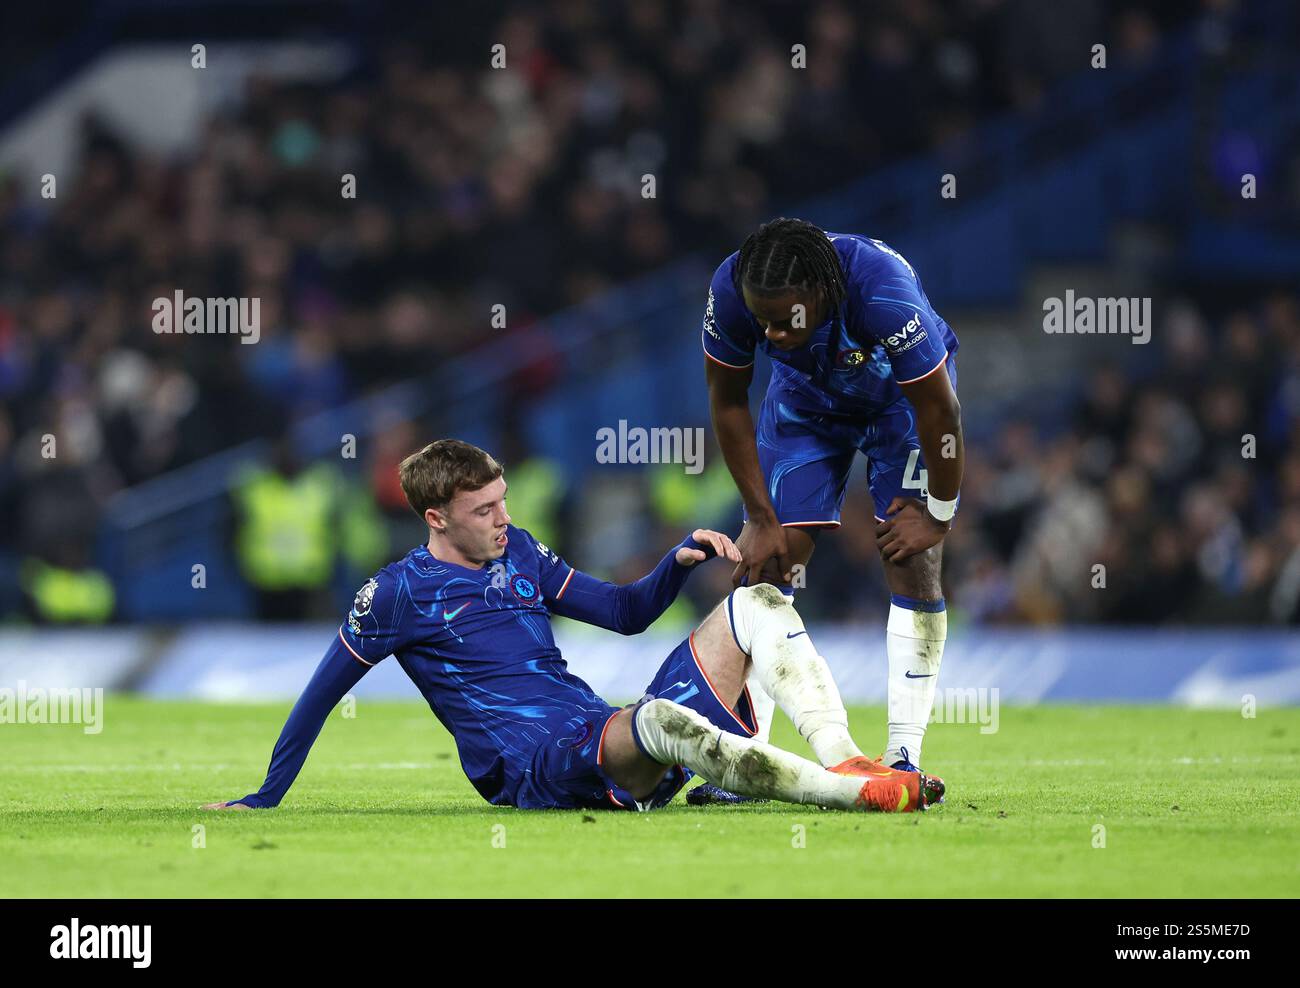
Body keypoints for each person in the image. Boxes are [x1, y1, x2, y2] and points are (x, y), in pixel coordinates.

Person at [202, 439, 944, 814]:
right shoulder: (395, 595)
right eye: (485, 509)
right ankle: (847, 797)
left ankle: (848, 760)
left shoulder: (517, 551)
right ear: (436, 519)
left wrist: (674, 565)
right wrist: (268, 794)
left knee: (756, 605)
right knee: (656, 718)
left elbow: (621, 615)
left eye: (503, 500)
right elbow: (320, 693)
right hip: (538, 767)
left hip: (602, 731)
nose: (505, 518)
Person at [698, 217, 963, 803]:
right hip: (804, 405)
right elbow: (727, 398)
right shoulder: (732, 288)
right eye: (760, 320)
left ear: (821, 293)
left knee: (909, 557)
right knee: (769, 564)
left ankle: (902, 758)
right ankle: (752, 761)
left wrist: (939, 512)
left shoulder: (883, 290)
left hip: (901, 408)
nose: (771, 333)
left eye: (784, 319)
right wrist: (759, 515)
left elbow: (940, 413)